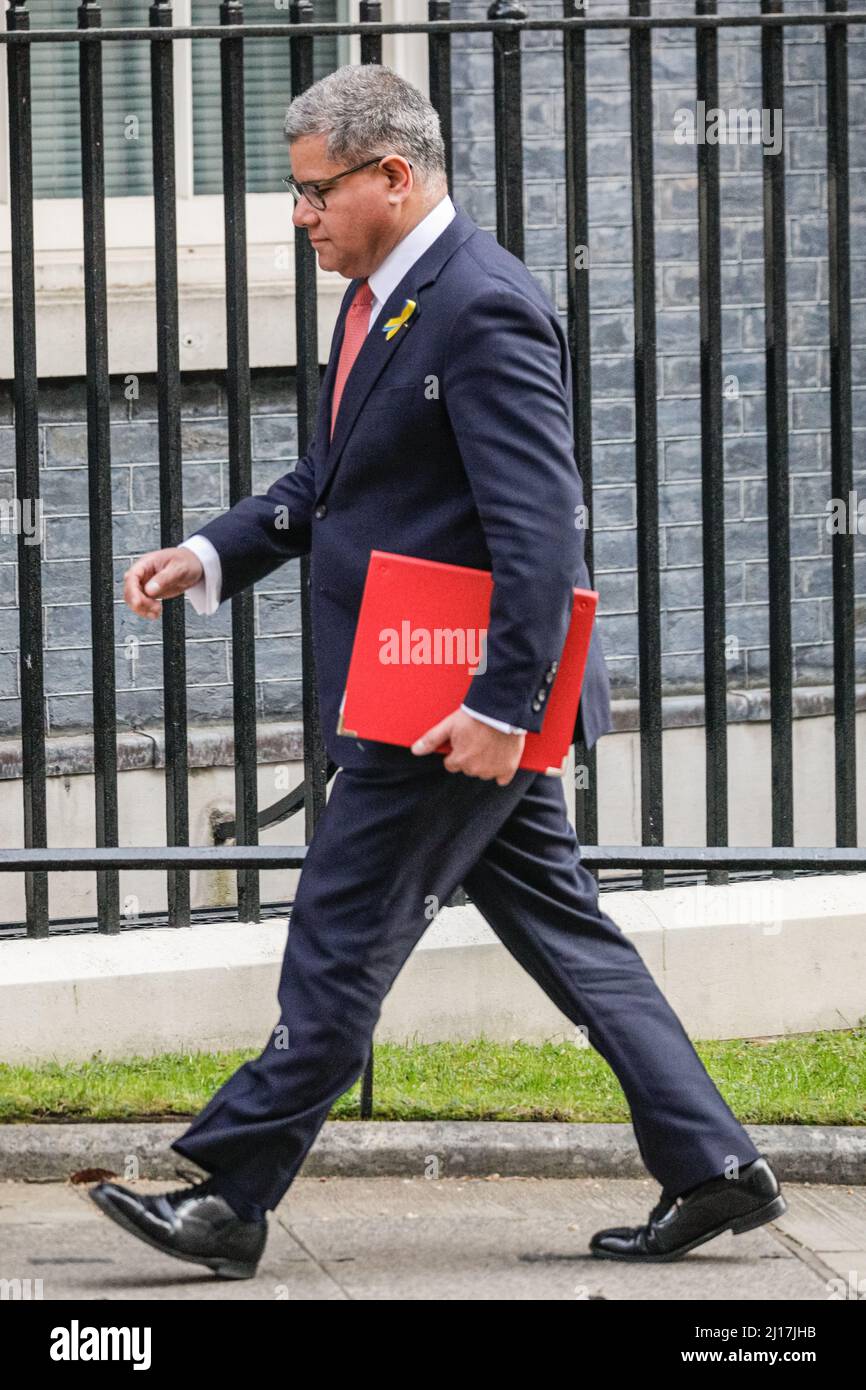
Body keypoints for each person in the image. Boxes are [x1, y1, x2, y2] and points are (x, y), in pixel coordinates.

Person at [91, 63, 785, 1280]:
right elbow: (329, 486)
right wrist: (206, 553)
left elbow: (538, 533)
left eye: (313, 194)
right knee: (567, 933)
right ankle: (715, 1166)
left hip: (449, 703)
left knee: (341, 929)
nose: (298, 217)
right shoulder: (379, 304)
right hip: (434, 689)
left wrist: (506, 711)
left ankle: (231, 1194)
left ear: (392, 177)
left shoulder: (481, 305)